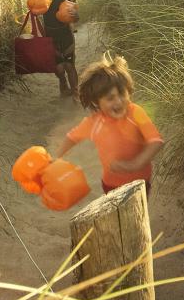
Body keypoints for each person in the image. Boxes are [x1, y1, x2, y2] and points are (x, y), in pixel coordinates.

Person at [58, 53, 164, 195]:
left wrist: (134, 165)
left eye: (122, 94)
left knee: (137, 216)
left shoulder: (136, 113)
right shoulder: (94, 122)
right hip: (111, 185)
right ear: (96, 102)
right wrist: (56, 157)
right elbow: (72, 137)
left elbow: (156, 142)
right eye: (110, 98)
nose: (118, 102)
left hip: (140, 183)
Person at [41, 0, 79, 99]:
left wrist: (75, 14)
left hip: (66, 35)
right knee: (59, 68)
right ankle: (62, 81)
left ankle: (76, 92)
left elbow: (76, 18)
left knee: (69, 66)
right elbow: (34, 15)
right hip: (50, 37)